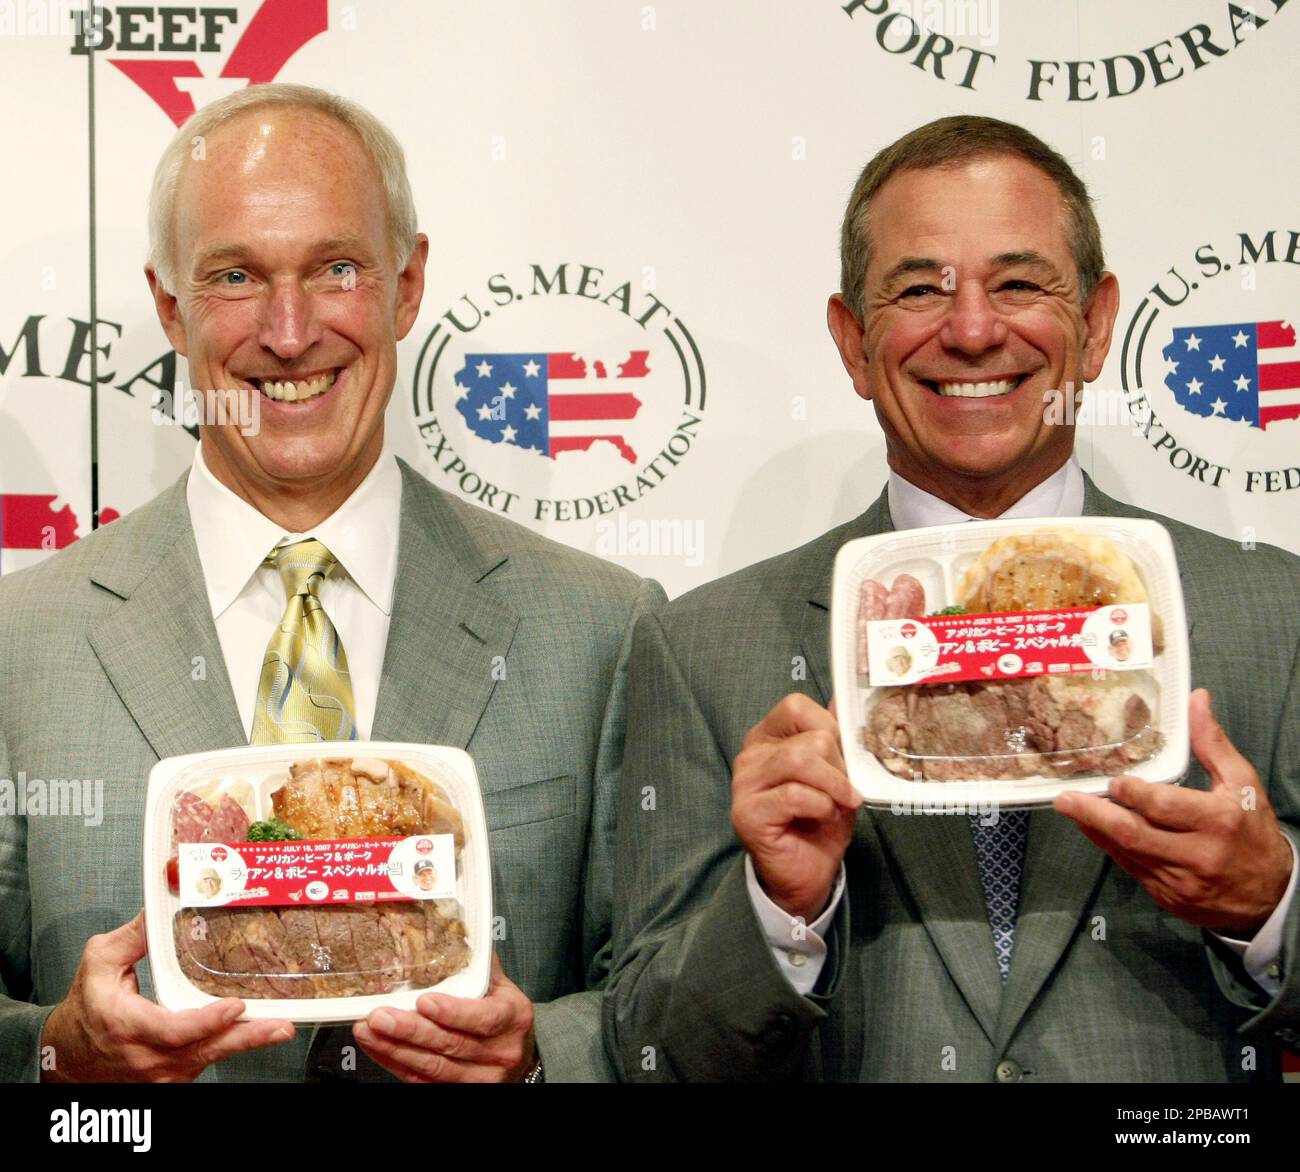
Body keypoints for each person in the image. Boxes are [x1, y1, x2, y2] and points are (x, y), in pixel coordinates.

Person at [605, 115, 1300, 1082]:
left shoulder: (1277, 613)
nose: (972, 330)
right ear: (852, 343)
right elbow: (643, 1047)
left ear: (1097, 326)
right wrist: (779, 913)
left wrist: (1270, 906)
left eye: (1018, 283)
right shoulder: (699, 646)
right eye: (919, 288)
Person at [0, 83, 663, 1083]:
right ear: (171, 308)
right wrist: (56, 1052)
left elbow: (667, 1010)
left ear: (406, 284)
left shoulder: (600, 627)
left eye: (337, 267)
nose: (290, 329)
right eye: (234, 275)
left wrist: (536, 1057)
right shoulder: (19, 643)